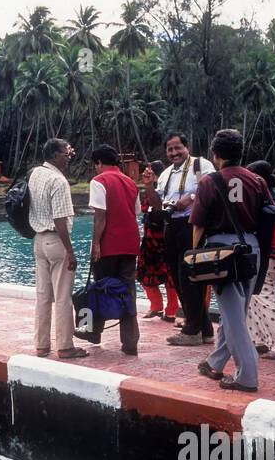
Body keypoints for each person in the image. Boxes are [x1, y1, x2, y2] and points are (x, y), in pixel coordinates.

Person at [193, 129, 269, 392]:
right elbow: (269, 216)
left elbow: (199, 225)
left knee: (234, 317)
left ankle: (247, 375)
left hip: (223, 253)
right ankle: (216, 362)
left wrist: (193, 256)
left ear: (216, 155)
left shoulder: (208, 181)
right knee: (235, 312)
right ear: (240, 152)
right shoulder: (257, 180)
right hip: (253, 248)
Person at [29, 138, 87, 359]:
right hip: (56, 241)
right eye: (65, 153)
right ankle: (65, 346)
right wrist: (70, 251)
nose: (69, 156)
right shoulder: (59, 181)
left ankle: (42, 345)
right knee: (63, 296)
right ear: (54, 155)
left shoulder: (35, 174)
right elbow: (60, 220)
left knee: (43, 296)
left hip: (39, 241)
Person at [158, 132, 215, 346]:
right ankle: (205, 329)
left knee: (190, 275)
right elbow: (159, 199)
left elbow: (211, 188)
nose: (174, 153)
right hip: (171, 225)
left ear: (187, 146)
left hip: (193, 224)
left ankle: (192, 330)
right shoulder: (165, 174)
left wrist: (190, 198)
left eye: (177, 148)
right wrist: (147, 186)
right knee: (176, 275)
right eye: (170, 149)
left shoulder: (201, 165)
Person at [88, 144, 141, 356]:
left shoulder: (99, 181)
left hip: (109, 244)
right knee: (128, 291)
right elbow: (135, 212)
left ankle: (94, 333)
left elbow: (100, 216)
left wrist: (95, 244)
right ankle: (130, 342)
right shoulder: (131, 182)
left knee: (100, 288)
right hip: (130, 244)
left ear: (99, 163)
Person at [245, 161, 275, 360]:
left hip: (269, 253)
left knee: (264, 296)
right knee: (257, 297)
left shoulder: (262, 199)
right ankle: (260, 340)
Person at [137, 160, 179, 322]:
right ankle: (156, 305)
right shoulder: (148, 192)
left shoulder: (166, 191)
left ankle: (172, 309)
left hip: (164, 239)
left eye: (151, 172)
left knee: (170, 276)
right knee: (143, 273)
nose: (148, 174)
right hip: (148, 239)